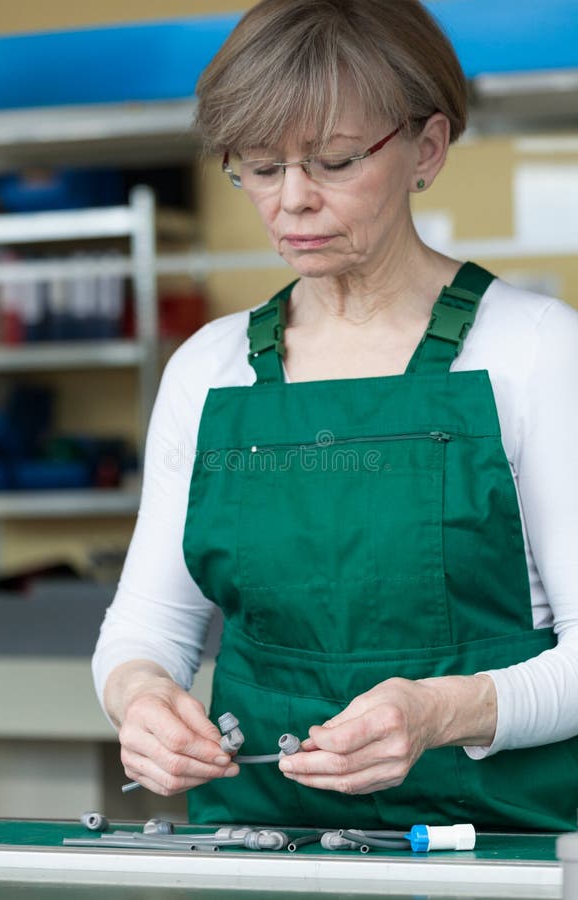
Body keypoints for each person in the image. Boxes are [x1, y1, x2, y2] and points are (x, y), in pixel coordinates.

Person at [93, 0, 578, 830]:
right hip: (264, 847)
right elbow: (148, 626)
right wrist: (140, 698)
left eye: (335, 161)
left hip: (498, 856)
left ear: (426, 148)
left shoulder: (538, 352)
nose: (292, 202)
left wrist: (440, 712)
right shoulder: (208, 371)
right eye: (258, 166)